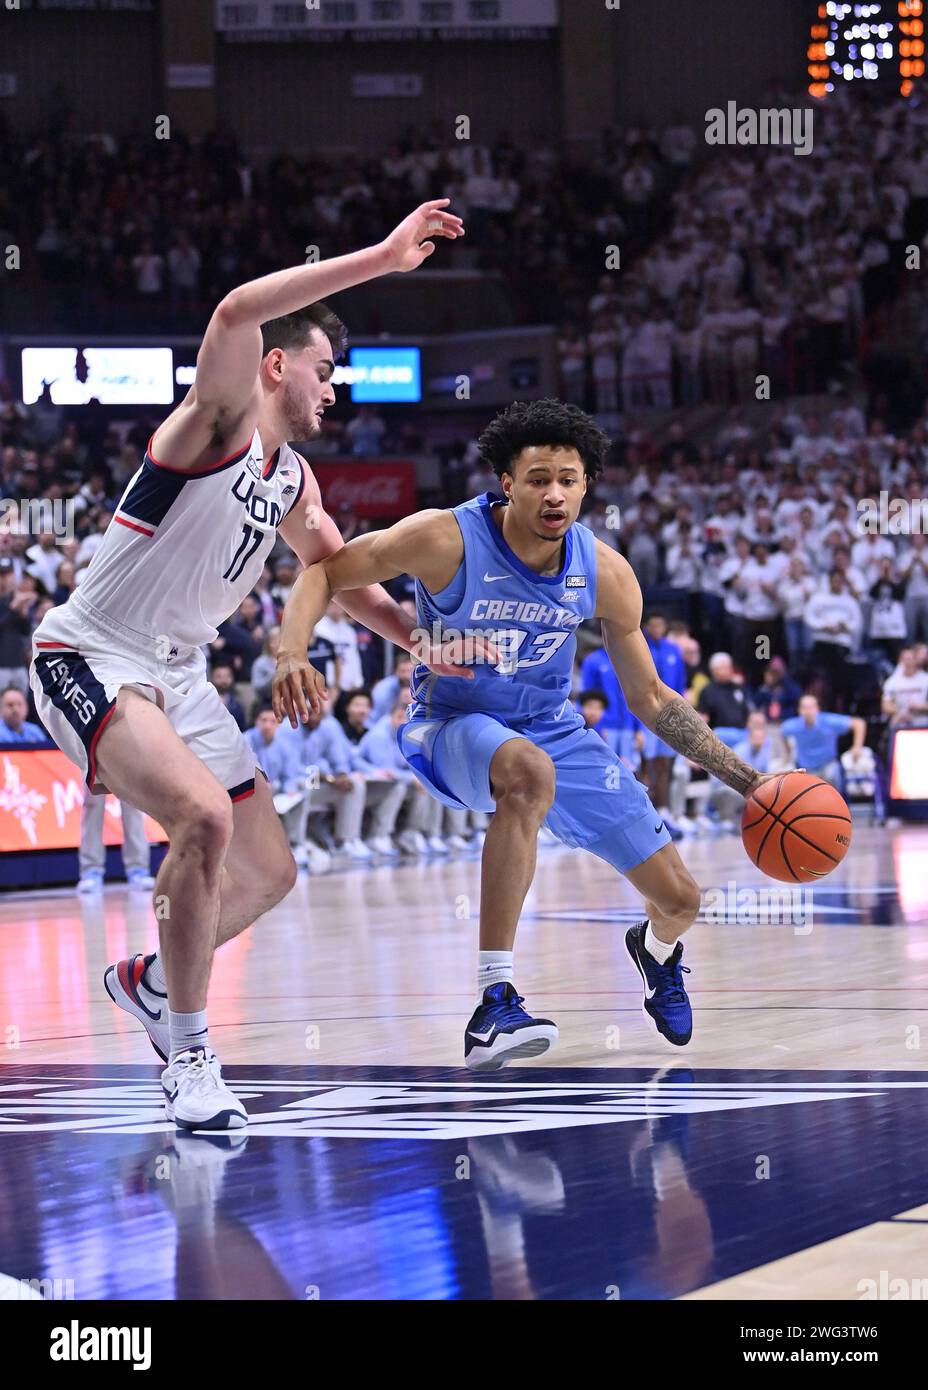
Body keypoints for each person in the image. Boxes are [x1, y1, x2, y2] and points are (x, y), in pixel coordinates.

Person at [28, 199, 471, 1131]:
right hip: (92, 652)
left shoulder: (296, 481)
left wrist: (424, 645)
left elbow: (337, 573)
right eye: (323, 370)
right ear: (278, 366)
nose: (334, 391)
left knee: (270, 869)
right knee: (199, 818)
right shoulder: (217, 424)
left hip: (179, 675)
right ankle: (188, 1052)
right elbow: (234, 311)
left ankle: (154, 983)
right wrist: (385, 258)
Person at [274, 399, 780, 1067]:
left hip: (553, 729)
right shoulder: (443, 538)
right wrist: (290, 651)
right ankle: (494, 1002)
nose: (555, 493)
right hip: (449, 726)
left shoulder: (605, 571)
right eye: (538, 478)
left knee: (681, 899)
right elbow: (326, 571)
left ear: (587, 486)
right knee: (526, 771)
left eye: (568, 479)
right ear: (506, 483)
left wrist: (751, 782)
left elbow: (654, 700)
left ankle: (656, 955)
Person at [77, 785, 155, 894]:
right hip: (96, 767)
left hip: (128, 767)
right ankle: (91, 871)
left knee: (132, 803)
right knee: (92, 803)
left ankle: (138, 869)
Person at [780, 694, 867, 788]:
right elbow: (782, 731)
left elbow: (859, 724)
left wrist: (857, 747)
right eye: (804, 708)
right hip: (805, 769)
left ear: (817, 708)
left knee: (833, 773)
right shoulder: (794, 725)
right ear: (799, 710)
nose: (808, 711)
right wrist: (787, 752)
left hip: (828, 766)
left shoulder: (828, 721)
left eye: (810, 707)